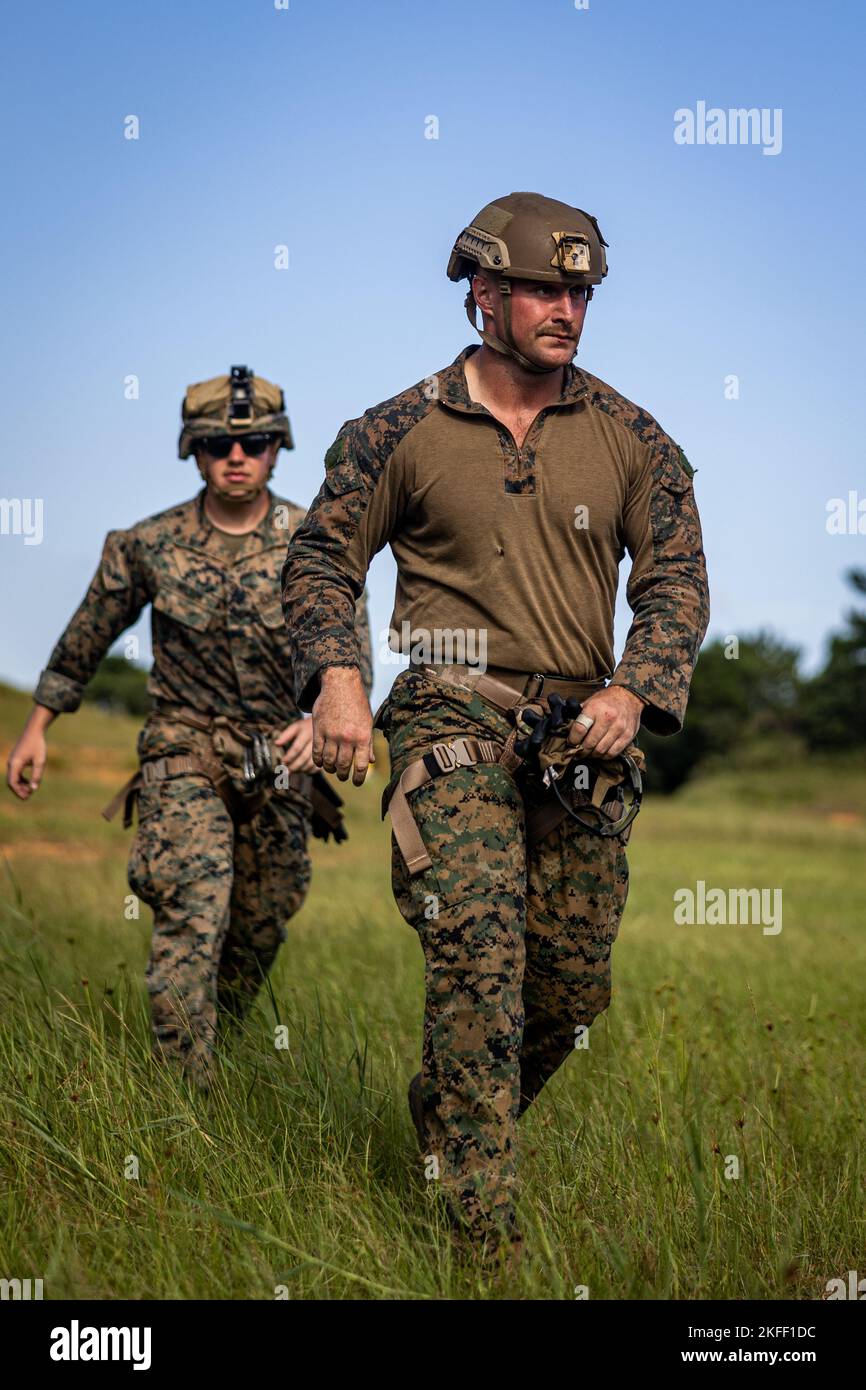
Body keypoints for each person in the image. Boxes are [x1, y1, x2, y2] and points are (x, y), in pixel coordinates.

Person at [280, 193, 709, 1252]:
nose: (566, 308)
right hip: (445, 711)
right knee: (476, 951)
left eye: (580, 291)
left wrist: (631, 687)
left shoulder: (634, 440)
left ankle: (451, 1109)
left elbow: (675, 588)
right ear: (483, 292)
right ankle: (479, 1241)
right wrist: (338, 677)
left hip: (581, 736)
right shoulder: (393, 432)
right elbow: (322, 562)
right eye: (543, 289)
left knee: (568, 990)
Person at [7, 365, 373, 1090]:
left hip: (280, 756)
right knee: (193, 911)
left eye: (254, 442)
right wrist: (37, 726)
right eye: (216, 444)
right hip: (184, 748)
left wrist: (319, 716)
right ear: (192, 451)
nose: (235, 457)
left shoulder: (316, 544)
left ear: (277, 448)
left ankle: (219, 1040)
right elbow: (88, 634)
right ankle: (184, 1103)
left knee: (262, 923)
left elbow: (349, 652)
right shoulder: (146, 546)